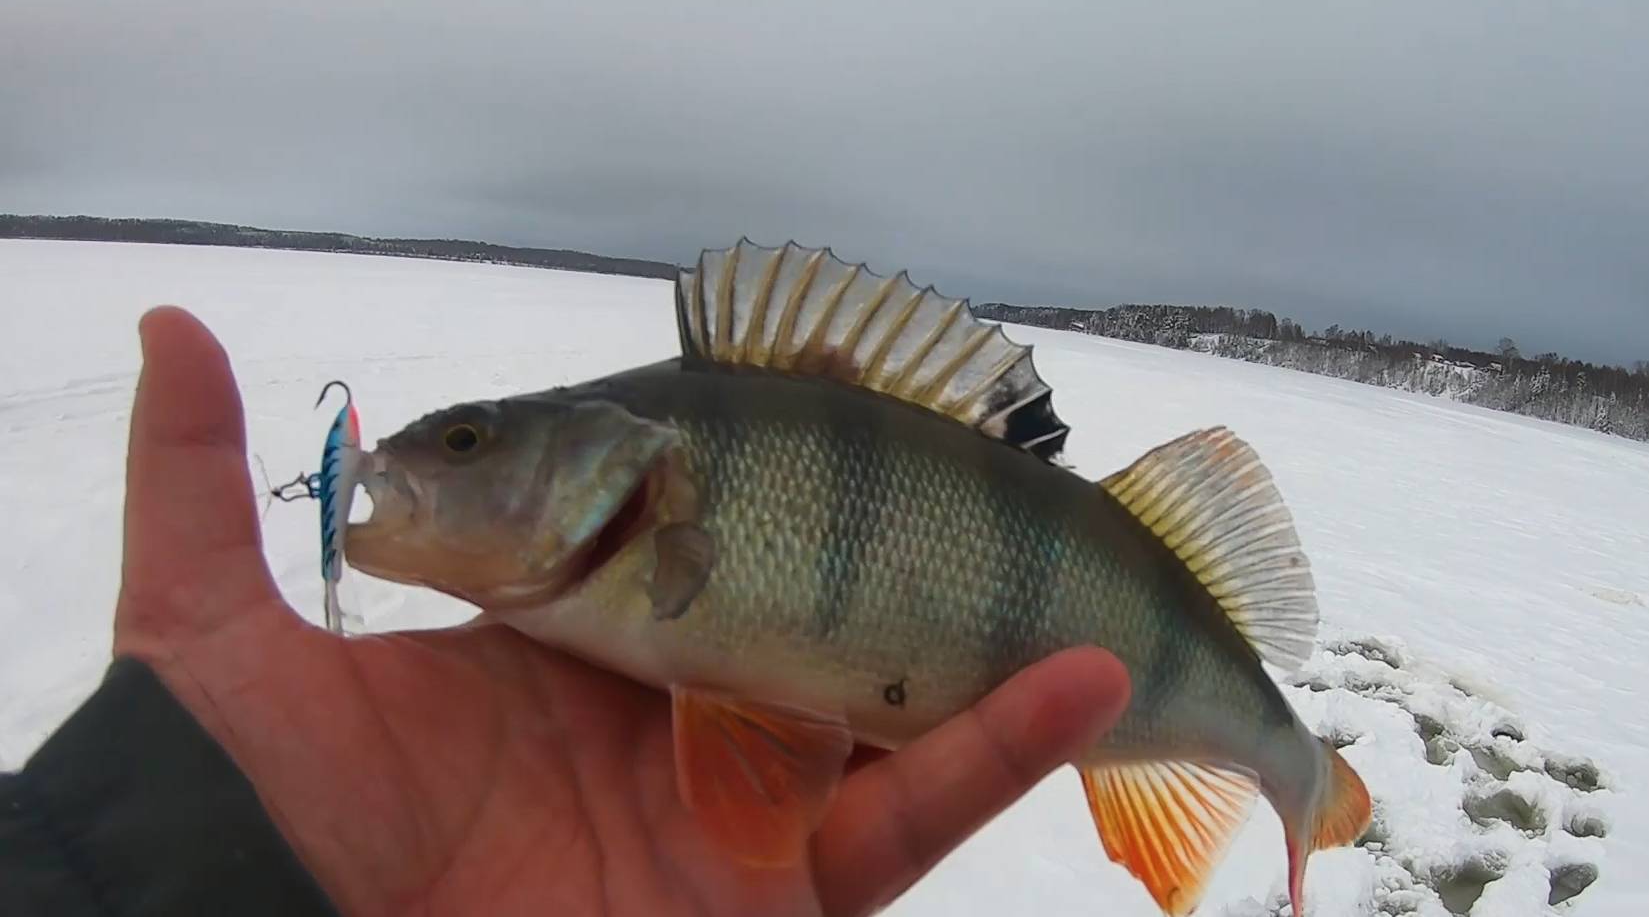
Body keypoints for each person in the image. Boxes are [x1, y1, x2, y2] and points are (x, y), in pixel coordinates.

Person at [0, 307, 1131, 916]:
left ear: (622, 465)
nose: (422, 462)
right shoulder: (619, 559)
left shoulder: (667, 480)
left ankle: (1278, 771)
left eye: (464, 443)